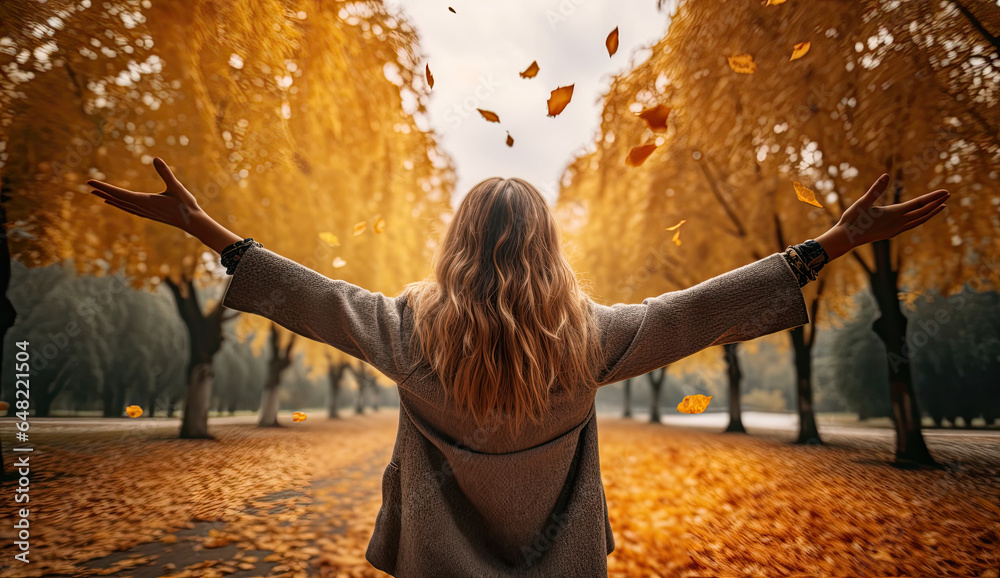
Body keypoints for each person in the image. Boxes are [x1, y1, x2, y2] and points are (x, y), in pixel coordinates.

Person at [89, 159, 948, 576]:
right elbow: (697, 310)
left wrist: (203, 226)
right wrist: (830, 243)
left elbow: (310, 296)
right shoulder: (591, 339)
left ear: (457, 244)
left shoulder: (406, 332)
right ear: (548, 248)